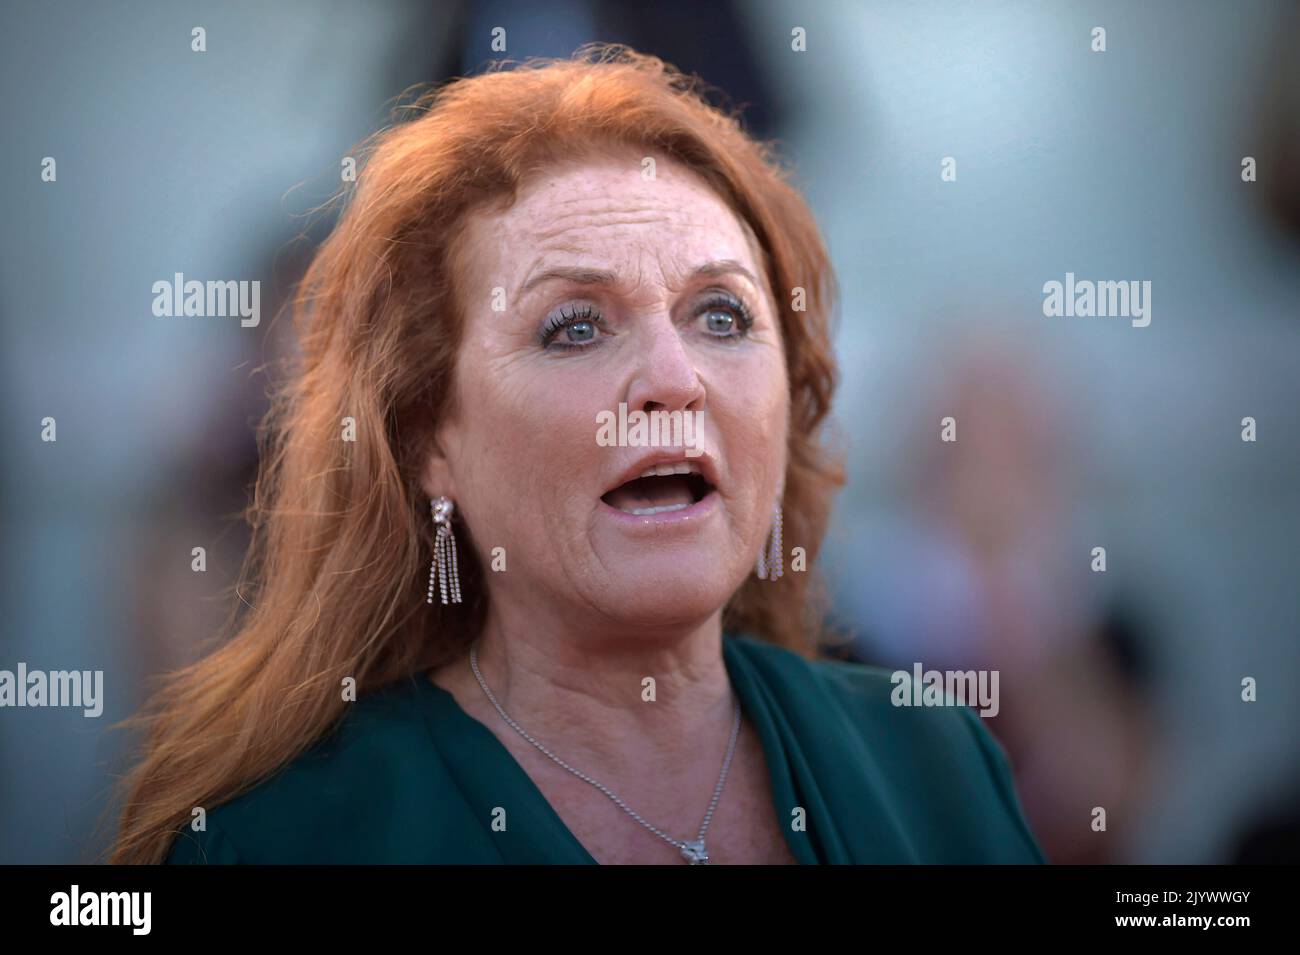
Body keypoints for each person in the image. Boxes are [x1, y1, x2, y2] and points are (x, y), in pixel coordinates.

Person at [110, 45, 1044, 865]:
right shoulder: (284, 840)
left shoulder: (937, 765)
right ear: (432, 438)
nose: (675, 379)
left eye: (721, 315)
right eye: (574, 327)